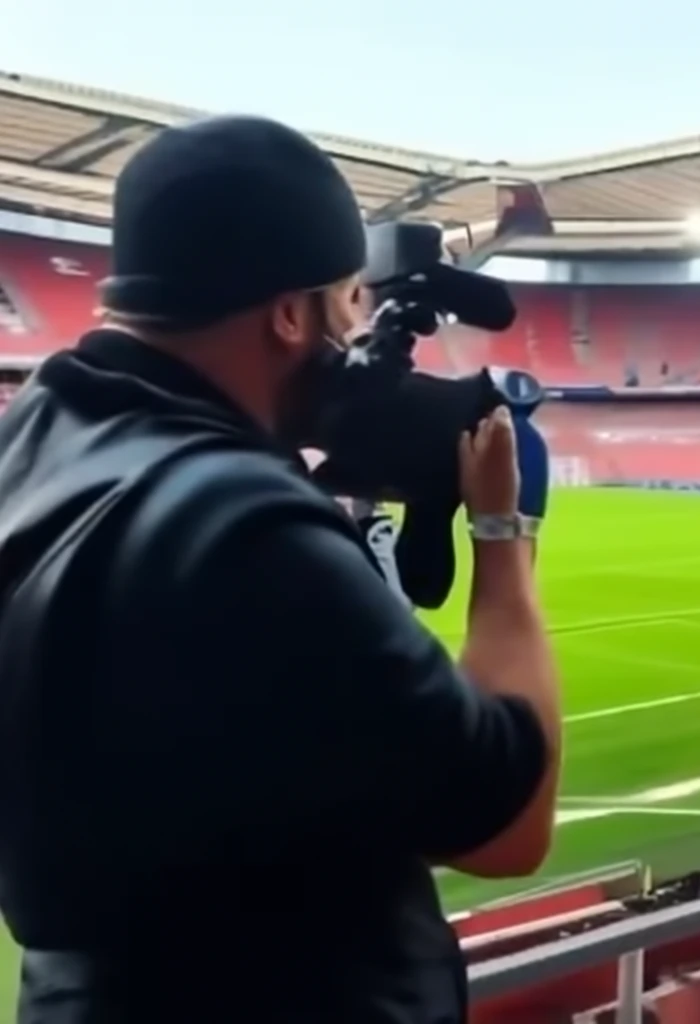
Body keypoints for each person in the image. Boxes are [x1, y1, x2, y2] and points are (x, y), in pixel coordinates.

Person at [0, 115, 560, 1024]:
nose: (357, 335)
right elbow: (507, 824)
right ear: (291, 313)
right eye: (348, 305)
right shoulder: (251, 529)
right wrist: (503, 534)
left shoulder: (30, 448)